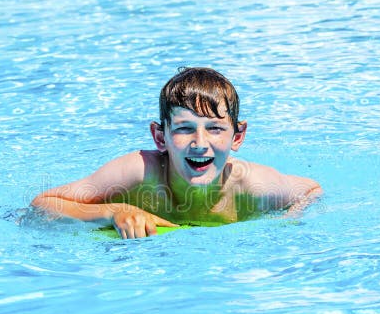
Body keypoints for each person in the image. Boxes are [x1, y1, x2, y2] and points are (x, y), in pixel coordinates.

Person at [31, 67, 322, 239]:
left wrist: (284, 225)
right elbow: (41, 205)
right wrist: (113, 212)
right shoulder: (139, 173)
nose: (199, 142)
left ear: (238, 136)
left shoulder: (252, 187)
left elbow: (311, 190)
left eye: (215, 129)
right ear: (161, 136)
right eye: (184, 129)